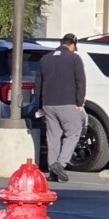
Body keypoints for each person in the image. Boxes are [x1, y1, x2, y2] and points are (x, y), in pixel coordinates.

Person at [36, 32, 87, 182]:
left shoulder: (45, 59)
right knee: (73, 132)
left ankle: (53, 171)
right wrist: (79, 102)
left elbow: (38, 84)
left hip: (48, 104)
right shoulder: (74, 58)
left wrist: (40, 105)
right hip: (67, 102)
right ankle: (60, 163)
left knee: (53, 137)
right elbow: (80, 81)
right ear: (72, 44)